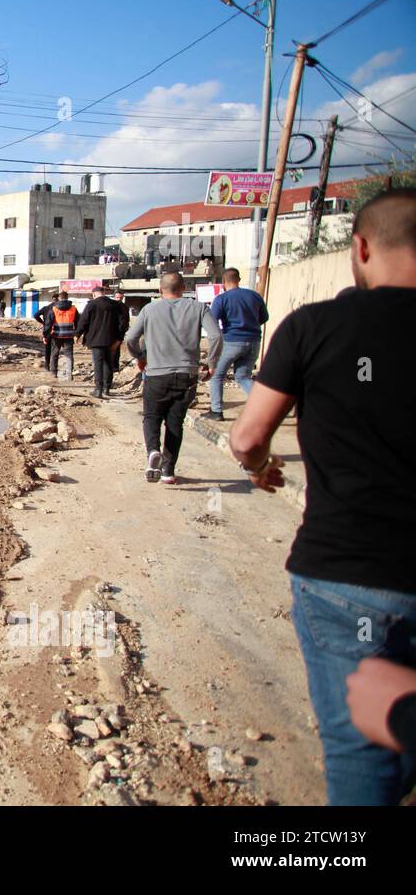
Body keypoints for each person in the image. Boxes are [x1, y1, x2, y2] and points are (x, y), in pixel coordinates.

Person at [229, 187, 416, 806]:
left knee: (364, 756)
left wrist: (259, 467)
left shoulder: (315, 325)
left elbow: (249, 435)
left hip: (347, 574)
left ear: (358, 248)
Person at [124, 272, 222, 484]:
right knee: (175, 423)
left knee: (152, 417)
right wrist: (212, 364)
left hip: (157, 373)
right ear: (184, 287)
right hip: (187, 375)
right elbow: (215, 336)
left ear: (160, 289)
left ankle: (153, 451)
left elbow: (131, 338)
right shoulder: (199, 308)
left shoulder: (149, 309)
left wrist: (140, 358)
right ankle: (168, 471)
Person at [203, 267, 269, 421]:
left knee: (217, 375)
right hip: (254, 341)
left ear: (223, 283)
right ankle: (262, 408)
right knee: (243, 376)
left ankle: (216, 411)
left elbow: (212, 322)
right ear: (238, 279)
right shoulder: (255, 296)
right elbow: (264, 317)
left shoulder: (222, 299)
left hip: (232, 341)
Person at [74, 285, 127, 398]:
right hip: (111, 340)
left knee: (98, 364)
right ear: (103, 293)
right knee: (108, 363)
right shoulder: (115, 305)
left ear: (94, 294)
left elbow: (84, 321)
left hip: (96, 340)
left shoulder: (92, 304)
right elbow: (122, 323)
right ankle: (107, 388)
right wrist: (119, 339)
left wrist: (78, 334)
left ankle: (98, 390)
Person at [47, 290, 78, 380]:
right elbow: (78, 322)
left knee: (54, 354)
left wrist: (46, 335)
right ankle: (69, 374)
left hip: (56, 335)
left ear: (59, 298)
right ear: (67, 298)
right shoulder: (73, 309)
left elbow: (48, 323)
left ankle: (53, 372)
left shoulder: (54, 308)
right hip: (69, 336)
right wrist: (77, 334)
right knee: (69, 355)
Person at [33, 298, 56, 371]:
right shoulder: (57, 309)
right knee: (55, 349)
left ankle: (47, 365)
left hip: (47, 330)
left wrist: (43, 322)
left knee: (47, 348)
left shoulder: (45, 308)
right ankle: (53, 366)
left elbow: (36, 315)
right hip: (56, 330)